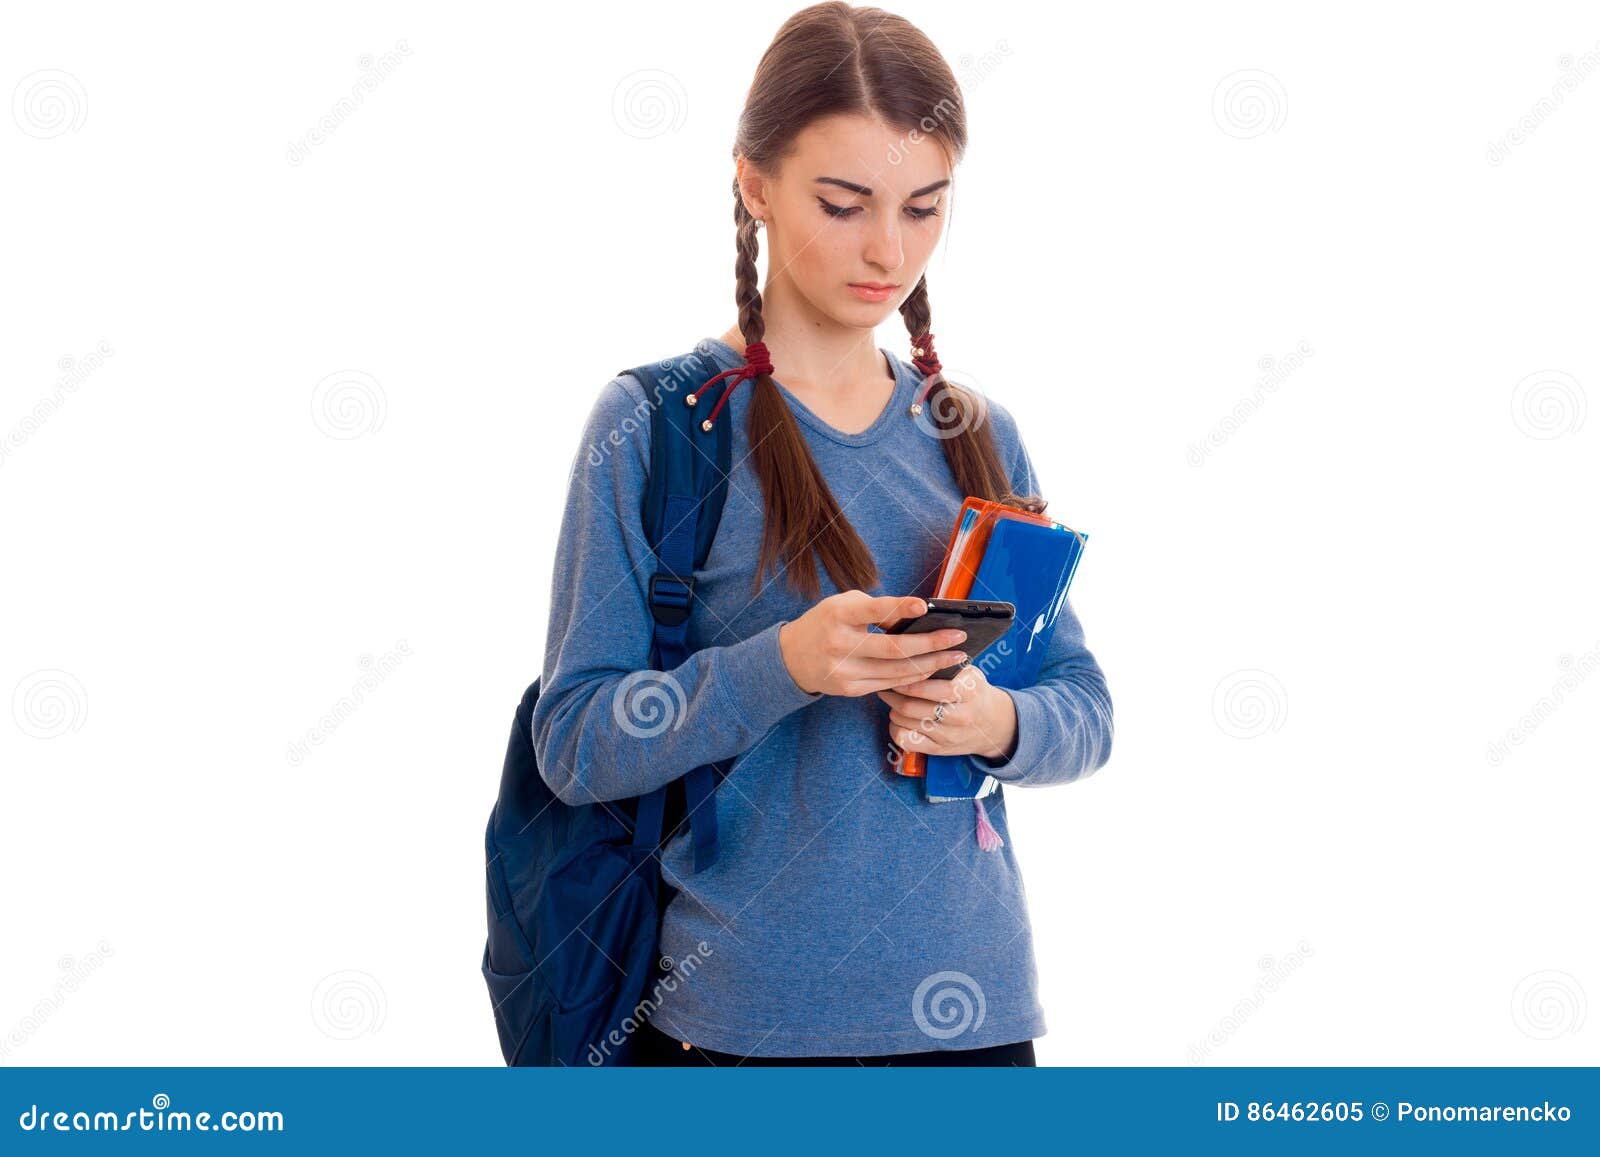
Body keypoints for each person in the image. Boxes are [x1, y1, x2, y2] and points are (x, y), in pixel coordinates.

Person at [531, 1, 1114, 1065]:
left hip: (978, 1020)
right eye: (842, 204)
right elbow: (574, 742)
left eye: (924, 208)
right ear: (753, 183)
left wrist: (991, 720)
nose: (888, 250)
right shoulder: (657, 426)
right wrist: (784, 663)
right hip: (737, 1030)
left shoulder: (974, 434)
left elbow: (1083, 706)